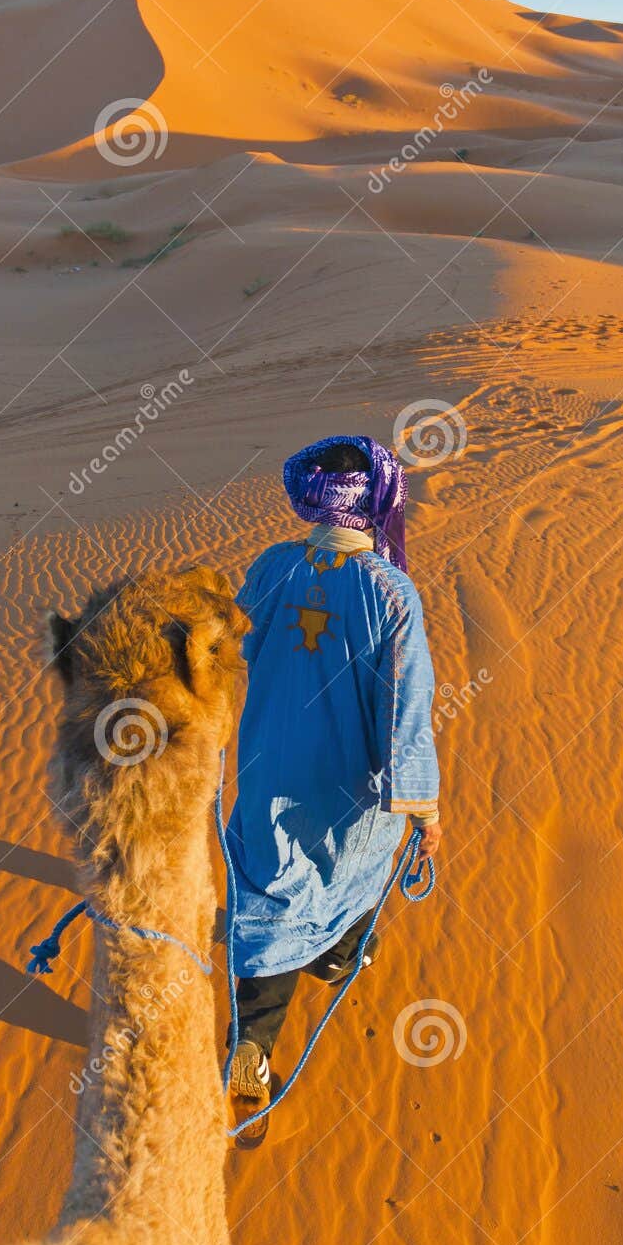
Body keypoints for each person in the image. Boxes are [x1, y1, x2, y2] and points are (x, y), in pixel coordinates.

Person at [225, 434, 441, 1109]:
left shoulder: (271, 567)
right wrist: (425, 810)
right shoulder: (389, 591)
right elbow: (406, 708)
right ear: (377, 499)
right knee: (347, 872)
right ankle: (326, 966)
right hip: (348, 785)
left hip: (266, 764)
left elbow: (233, 641)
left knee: (271, 890)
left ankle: (253, 1045)